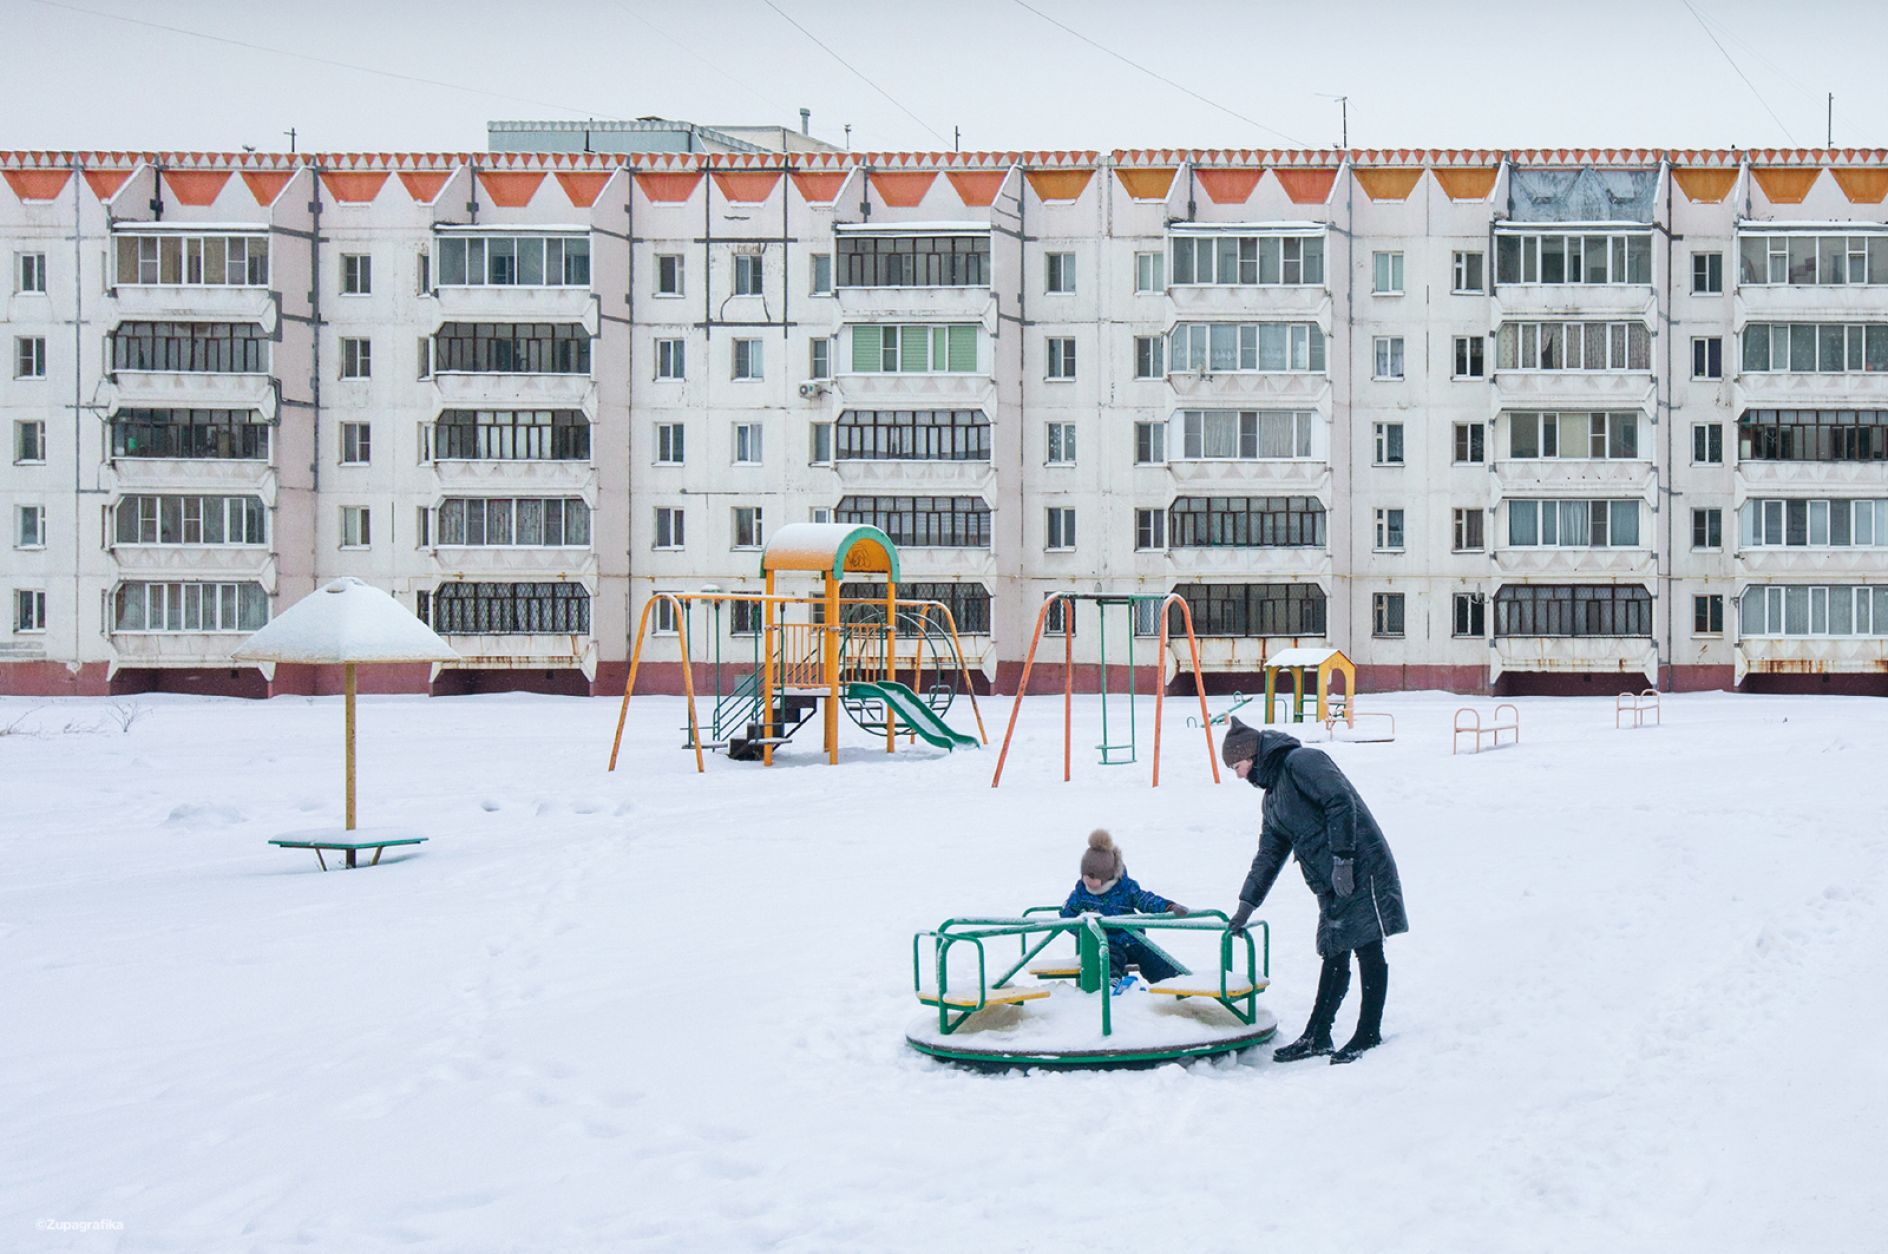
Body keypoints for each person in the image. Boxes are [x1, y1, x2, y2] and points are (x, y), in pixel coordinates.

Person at [1220, 717, 1407, 1065]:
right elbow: (1269, 853)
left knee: (1367, 945)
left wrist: (1343, 860)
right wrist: (1247, 904)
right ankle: (1317, 1035)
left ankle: (1369, 1031)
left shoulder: (1302, 762)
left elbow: (1339, 802)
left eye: (1238, 765)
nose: (1238, 774)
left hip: (1359, 864)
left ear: (1252, 754)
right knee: (1334, 948)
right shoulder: (1273, 797)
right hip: (1329, 879)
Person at [1059, 830, 1189, 993]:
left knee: (1152, 956)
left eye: (1093, 879)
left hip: (1132, 938)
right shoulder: (1080, 893)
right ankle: (1110, 985)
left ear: (1108, 876)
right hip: (1106, 942)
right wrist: (1087, 934)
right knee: (1110, 958)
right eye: (1085, 877)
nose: (1088, 883)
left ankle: (1175, 983)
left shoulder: (1125, 888)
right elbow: (1066, 915)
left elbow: (1145, 900)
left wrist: (1169, 906)